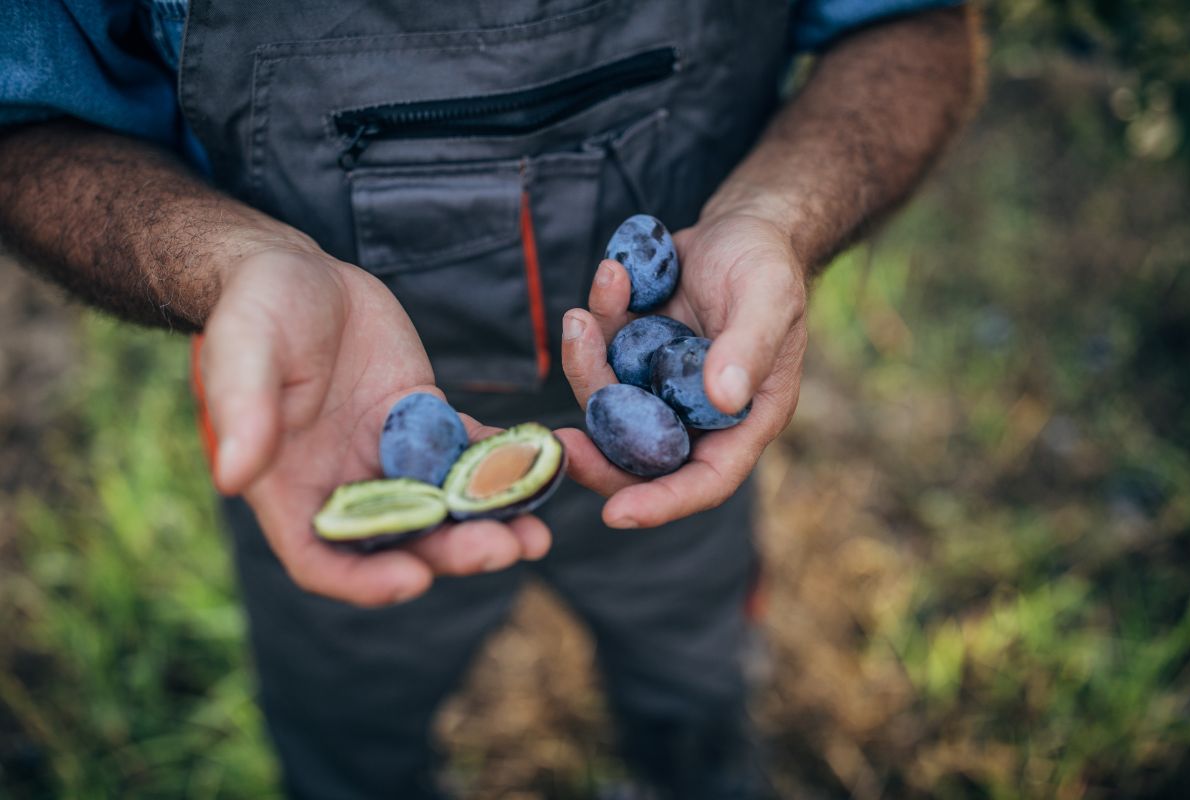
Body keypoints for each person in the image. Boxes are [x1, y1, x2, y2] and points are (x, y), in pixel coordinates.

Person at [0, 1, 982, 797]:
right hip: (330, 421)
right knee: (347, 743)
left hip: (659, 439)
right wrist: (229, 263)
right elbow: (28, 121)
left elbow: (917, 21)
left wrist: (779, 215)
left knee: (698, 683)